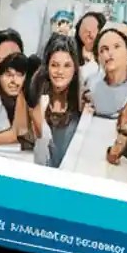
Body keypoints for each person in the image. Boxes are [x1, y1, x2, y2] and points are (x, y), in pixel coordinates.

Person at [28, 35, 83, 169]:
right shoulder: (37, 101)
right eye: (55, 65)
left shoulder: (82, 103)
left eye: (67, 66)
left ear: (74, 69)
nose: (60, 72)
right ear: (47, 67)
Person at [83, 24, 127, 117]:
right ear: (98, 58)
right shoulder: (90, 87)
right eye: (103, 49)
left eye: (117, 46)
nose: (110, 53)